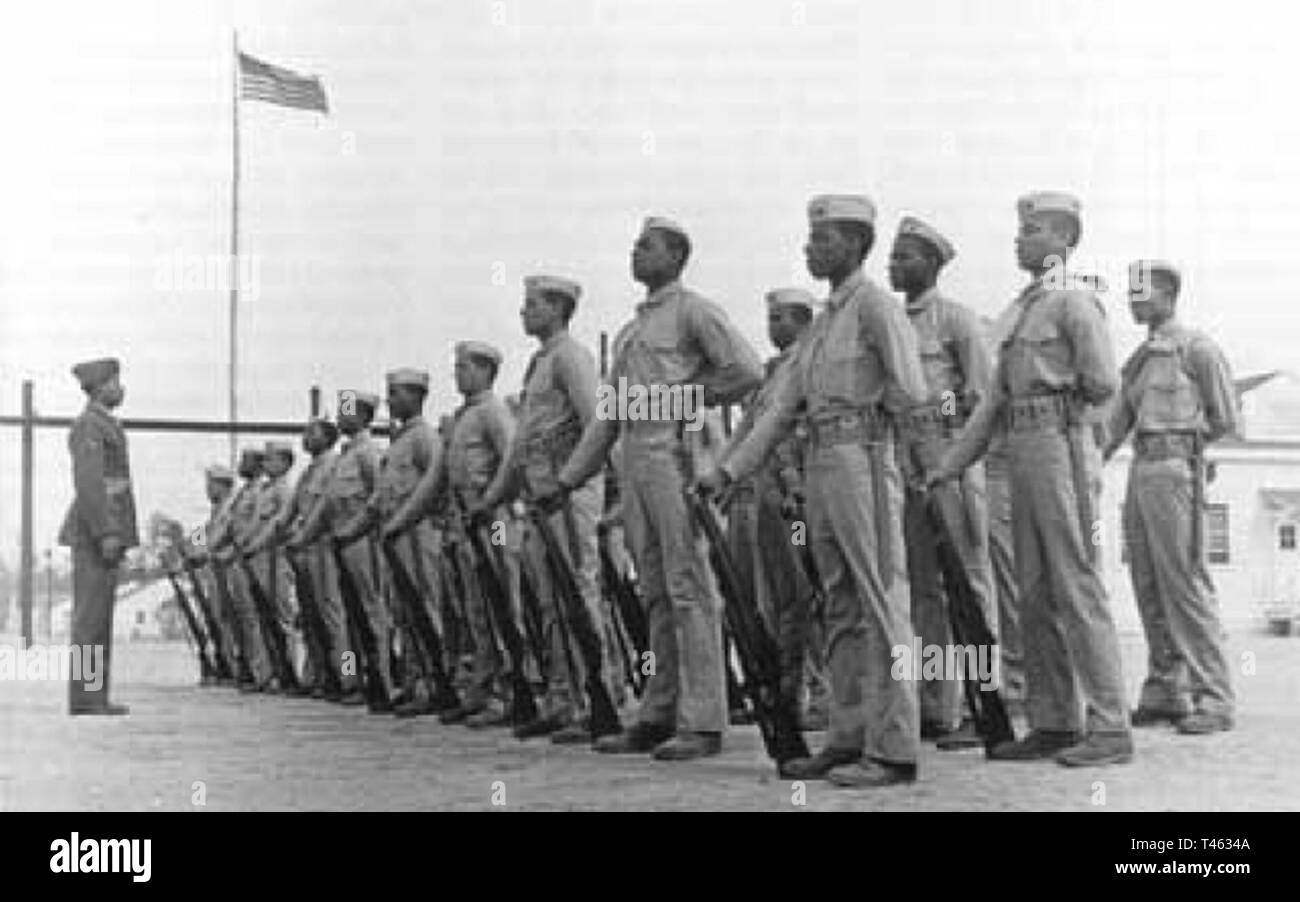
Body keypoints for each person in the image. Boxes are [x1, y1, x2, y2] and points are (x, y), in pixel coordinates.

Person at [700, 195, 928, 787]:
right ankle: (848, 736)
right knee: (842, 605)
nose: (810, 248)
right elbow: (780, 408)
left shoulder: (876, 307)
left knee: (882, 603)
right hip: (824, 459)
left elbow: (912, 389)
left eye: (822, 238)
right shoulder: (825, 322)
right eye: (811, 237)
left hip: (865, 460)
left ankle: (894, 748)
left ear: (854, 244)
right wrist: (728, 471)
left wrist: (897, 451)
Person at [541, 216, 763, 761]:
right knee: (656, 589)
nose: (635, 254)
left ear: (676, 256)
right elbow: (609, 417)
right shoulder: (631, 331)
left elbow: (746, 371)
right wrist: (569, 479)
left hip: (675, 454)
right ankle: (659, 709)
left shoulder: (695, 311)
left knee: (690, 585)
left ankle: (704, 717)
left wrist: (686, 396)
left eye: (646, 247)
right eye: (635, 245)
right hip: (638, 457)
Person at [931, 191, 1133, 767]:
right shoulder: (1020, 312)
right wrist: (947, 469)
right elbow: (991, 405)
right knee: (1034, 590)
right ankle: (1054, 720)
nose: (1021, 239)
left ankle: (1111, 726)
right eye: (1022, 230)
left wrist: (1067, 423)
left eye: (1035, 230)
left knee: (1076, 584)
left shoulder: (1075, 303)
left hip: (1061, 447)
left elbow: (1102, 384)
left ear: (1065, 242)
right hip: (1021, 447)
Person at [475, 275, 620, 744]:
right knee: (551, 602)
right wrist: (491, 500)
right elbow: (519, 450)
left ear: (558, 308)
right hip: (540, 500)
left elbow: (599, 422)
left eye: (532, 304)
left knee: (579, 594)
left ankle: (601, 698)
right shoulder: (540, 364)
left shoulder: (571, 358)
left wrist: (569, 480)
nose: (524, 312)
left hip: (569, 494)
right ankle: (564, 699)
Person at [1104, 259, 1239, 735]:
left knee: (1183, 582)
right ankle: (1166, 691)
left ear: (1166, 293)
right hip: (1142, 470)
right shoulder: (1139, 361)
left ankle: (1216, 697)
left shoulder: (1196, 349)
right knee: (1147, 581)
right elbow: (1112, 428)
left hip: (1176, 470)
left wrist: (1190, 451)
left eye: (1141, 291)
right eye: (1130, 291)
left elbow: (1224, 417)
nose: (1133, 299)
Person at [888, 215, 996, 750]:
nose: (894, 264)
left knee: (969, 582)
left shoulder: (956, 320)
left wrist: (943, 427)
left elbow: (982, 396)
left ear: (931, 263)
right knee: (923, 591)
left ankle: (988, 699)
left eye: (906, 256)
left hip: (950, 454)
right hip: (901, 458)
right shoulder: (889, 321)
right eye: (893, 255)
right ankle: (938, 704)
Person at [718, 287, 829, 732]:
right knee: (778, 600)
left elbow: (794, 435)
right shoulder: (772, 374)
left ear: (803, 322)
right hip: (766, 494)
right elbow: (751, 433)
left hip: (795, 498)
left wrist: (794, 488)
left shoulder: (806, 364)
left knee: (806, 597)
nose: (773, 326)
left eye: (781, 318)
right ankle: (791, 690)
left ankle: (822, 691)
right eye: (771, 317)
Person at [406, 342, 518, 728]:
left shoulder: (492, 412)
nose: (457, 374)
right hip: (465, 524)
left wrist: (489, 503)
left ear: (486, 371)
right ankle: (483, 689)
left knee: (501, 601)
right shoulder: (461, 419)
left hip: (495, 522)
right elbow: (437, 479)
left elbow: (511, 460)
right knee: (476, 609)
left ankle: (507, 693)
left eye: (464, 367)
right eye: (457, 367)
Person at [295, 390, 394, 710]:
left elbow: (381, 497)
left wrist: (362, 531)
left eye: (346, 410)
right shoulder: (343, 459)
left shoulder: (368, 454)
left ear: (363, 416)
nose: (340, 416)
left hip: (363, 541)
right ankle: (351, 678)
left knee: (370, 613)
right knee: (347, 619)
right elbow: (324, 507)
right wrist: (300, 539)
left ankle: (381, 681)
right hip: (338, 544)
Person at [60, 357, 139, 716]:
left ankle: (95, 695)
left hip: (106, 530)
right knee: (90, 618)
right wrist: (107, 531)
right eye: (114, 381)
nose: (120, 388)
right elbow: (91, 485)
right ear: (99, 386)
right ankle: (86, 698)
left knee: (99, 617)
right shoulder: (90, 425)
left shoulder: (104, 424)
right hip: (96, 532)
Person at [376, 368, 456, 717]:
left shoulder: (424, 438)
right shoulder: (399, 443)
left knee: (426, 606)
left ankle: (437, 683)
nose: (391, 401)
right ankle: (414, 683)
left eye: (396, 394)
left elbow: (438, 486)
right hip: (396, 533)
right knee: (406, 611)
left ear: (415, 396)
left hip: (420, 531)